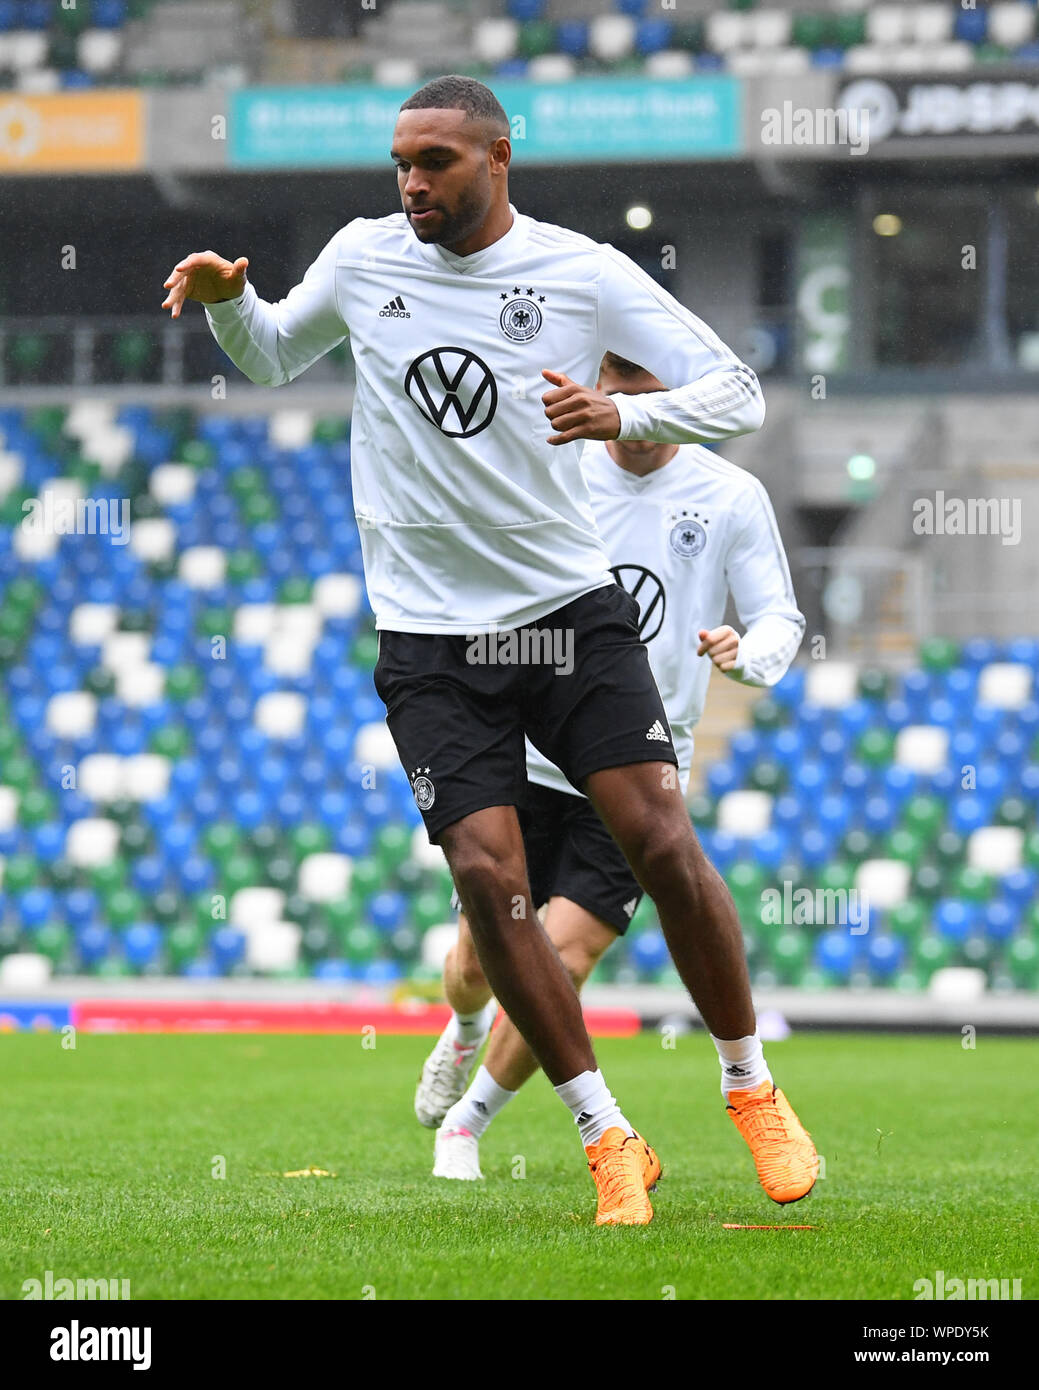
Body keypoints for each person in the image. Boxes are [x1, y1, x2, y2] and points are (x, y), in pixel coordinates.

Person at [162, 75, 772, 1226]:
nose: (411, 183)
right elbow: (276, 357)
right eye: (400, 161)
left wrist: (628, 417)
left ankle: (749, 1083)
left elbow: (733, 389)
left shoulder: (579, 271)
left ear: (498, 158)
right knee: (490, 887)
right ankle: (605, 1135)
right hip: (430, 632)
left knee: (660, 840)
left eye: (436, 160)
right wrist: (230, 305)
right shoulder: (362, 255)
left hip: (561, 608)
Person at [417, 351, 817, 1204]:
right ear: (595, 390)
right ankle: (460, 1025)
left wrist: (751, 656)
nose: (632, 412)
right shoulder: (554, 474)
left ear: (677, 397)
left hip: (636, 761)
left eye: (650, 396)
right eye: (618, 393)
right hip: (525, 753)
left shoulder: (727, 495)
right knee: (475, 965)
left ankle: (468, 1123)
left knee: (564, 956)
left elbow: (779, 612)